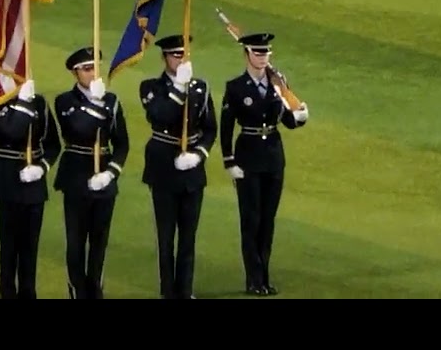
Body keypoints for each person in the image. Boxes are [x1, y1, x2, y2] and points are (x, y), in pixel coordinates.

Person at [220, 32, 309, 296]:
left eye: (266, 53)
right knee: (251, 220)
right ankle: (253, 279)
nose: (263, 58)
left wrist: (300, 115)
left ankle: (265, 277)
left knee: (267, 220)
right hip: (247, 157)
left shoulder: (277, 83)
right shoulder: (235, 87)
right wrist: (229, 161)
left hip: (272, 157)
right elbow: (226, 128)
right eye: (258, 53)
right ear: (247, 54)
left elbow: (287, 119)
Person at [138, 34, 217, 299]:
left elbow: (209, 128)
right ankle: (167, 292)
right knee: (165, 238)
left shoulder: (201, 88)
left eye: (184, 54)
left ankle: (185, 291)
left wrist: (199, 154)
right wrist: (178, 88)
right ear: (164, 58)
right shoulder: (151, 87)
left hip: (192, 170)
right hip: (163, 167)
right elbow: (159, 115)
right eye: (175, 55)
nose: (180, 59)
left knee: (188, 238)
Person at [51, 46, 130, 299]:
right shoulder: (65, 101)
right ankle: (77, 292)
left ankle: (95, 291)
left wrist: (111, 173)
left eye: (95, 67)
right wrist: (95, 104)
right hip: (75, 176)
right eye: (86, 69)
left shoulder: (112, 101)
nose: (92, 72)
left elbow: (122, 142)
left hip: (103, 178)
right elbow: (79, 129)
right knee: (76, 243)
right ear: (76, 73)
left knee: (99, 242)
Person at [0, 78, 61, 299]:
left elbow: (53, 144)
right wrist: (24, 104)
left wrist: (42, 168)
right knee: (9, 247)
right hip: (8, 180)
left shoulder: (39, 103)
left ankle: (29, 293)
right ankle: (7, 293)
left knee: (30, 247)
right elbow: (11, 132)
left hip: (34, 184)